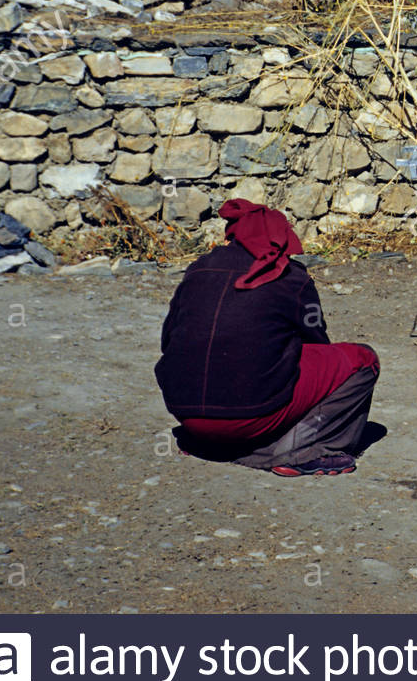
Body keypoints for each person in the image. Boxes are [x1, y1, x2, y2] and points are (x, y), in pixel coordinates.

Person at [155, 199, 380, 477]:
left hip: (186, 413)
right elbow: (317, 342)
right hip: (250, 417)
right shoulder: (290, 275)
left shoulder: (199, 268)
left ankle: (210, 443)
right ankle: (304, 449)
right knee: (362, 360)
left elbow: (169, 341)